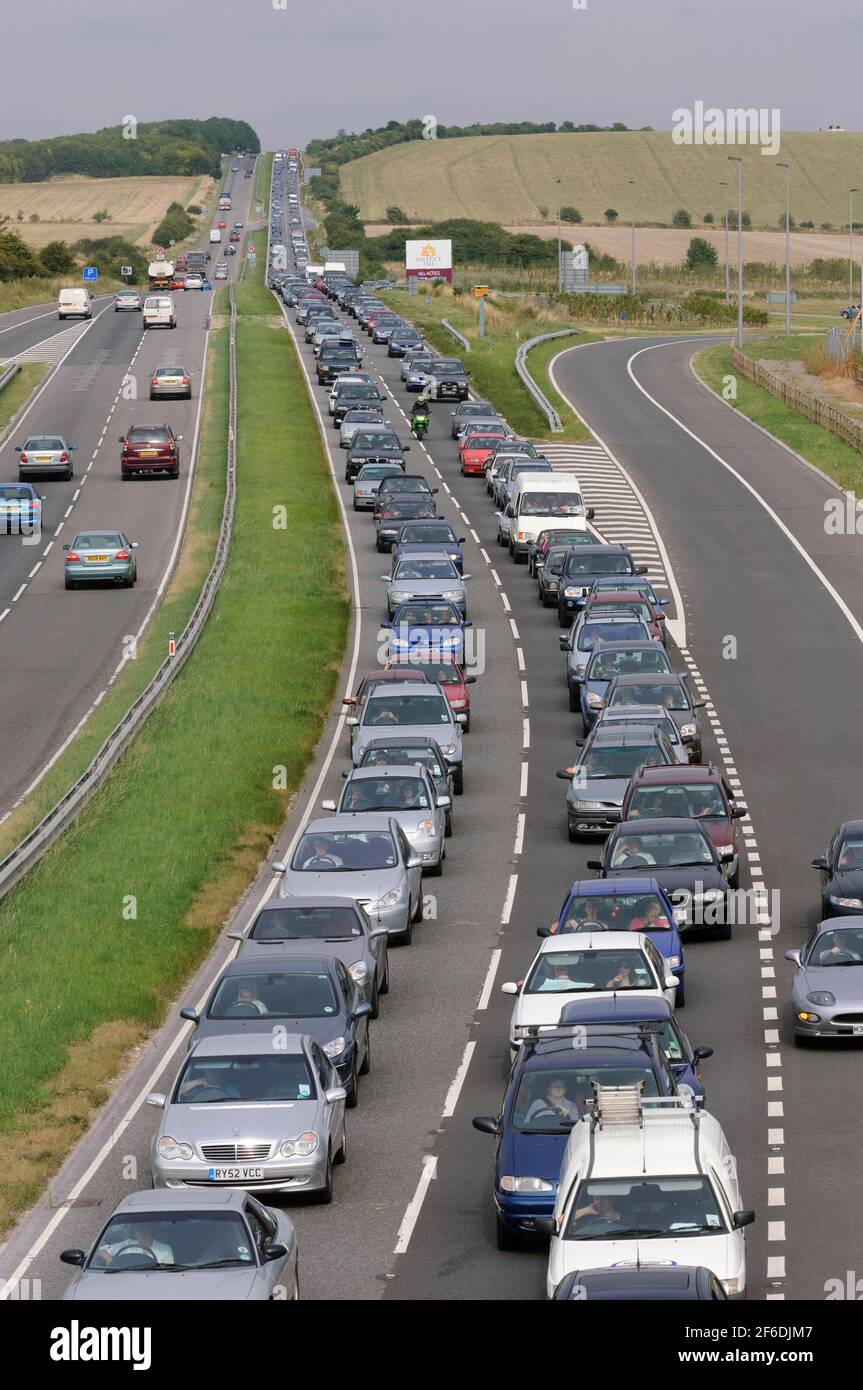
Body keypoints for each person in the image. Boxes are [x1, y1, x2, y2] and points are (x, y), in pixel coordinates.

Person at [95, 1223, 174, 1269]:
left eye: (143, 1228)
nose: (140, 1232)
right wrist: (110, 1260)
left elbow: (167, 1273)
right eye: (137, 1229)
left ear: (150, 1229)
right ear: (134, 1232)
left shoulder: (165, 1249)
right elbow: (100, 1250)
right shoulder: (127, 1244)